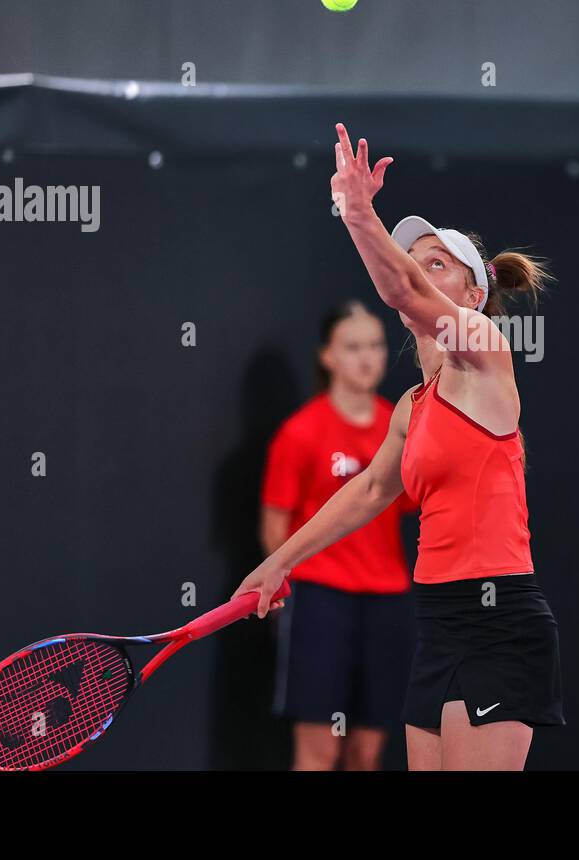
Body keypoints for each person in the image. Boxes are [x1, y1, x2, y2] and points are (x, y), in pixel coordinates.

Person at [237, 122, 562, 770]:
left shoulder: (486, 355)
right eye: (416, 258)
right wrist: (283, 563)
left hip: (499, 625)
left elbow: (400, 290)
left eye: (435, 263)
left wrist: (358, 213)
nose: (418, 270)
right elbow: (370, 490)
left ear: (473, 297)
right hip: (439, 624)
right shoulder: (413, 408)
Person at [261, 300, 414, 770]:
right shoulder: (301, 432)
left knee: (366, 752)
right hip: (319, 600)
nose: (367, 358)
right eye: (352, 347)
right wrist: (283, 593)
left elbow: (414, 499)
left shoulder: (404, 424)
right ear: (327, 356)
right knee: (320, 749)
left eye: (375, 345)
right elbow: (274, 528)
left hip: (387, 598)